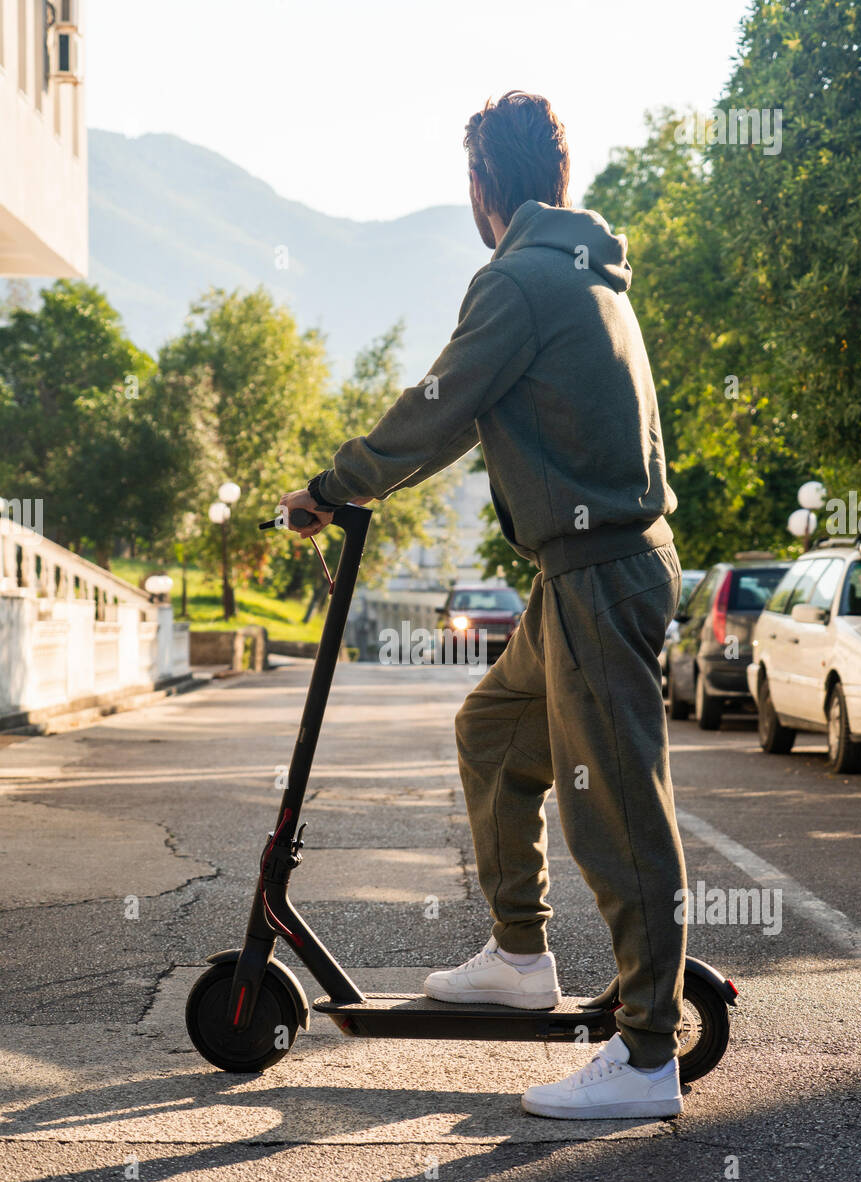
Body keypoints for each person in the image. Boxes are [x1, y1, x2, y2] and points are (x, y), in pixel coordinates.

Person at [279, 90, 687, 1120]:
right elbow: (467, 414)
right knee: (495, 734)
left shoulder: (518, 280)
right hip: (581, 571)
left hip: (599, 572)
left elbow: (436, 406)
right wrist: (368, 480)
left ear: (481, 187)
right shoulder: (581, 271)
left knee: (618, 811)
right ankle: (518, 953)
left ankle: (646, 1057)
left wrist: (335, 487)